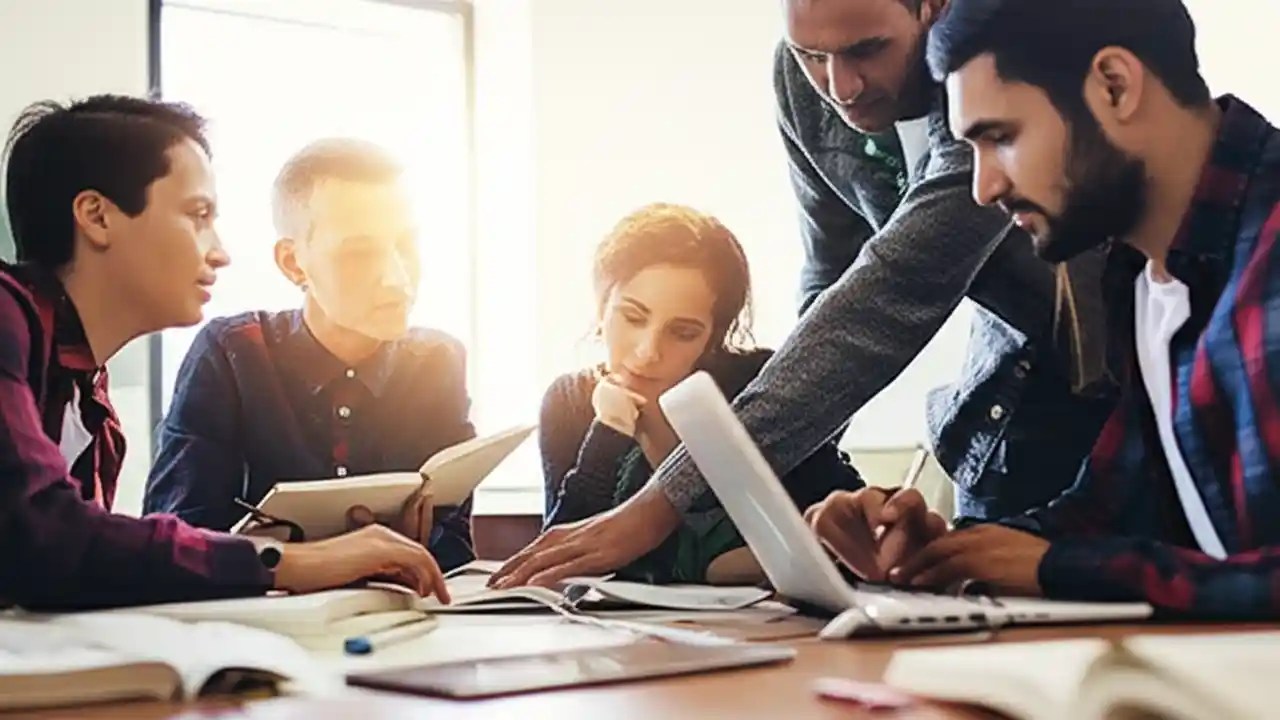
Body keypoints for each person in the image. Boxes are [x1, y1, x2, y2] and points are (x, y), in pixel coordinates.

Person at [491, 0, 1117, 589]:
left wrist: (660, 503)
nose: (840, 86)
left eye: (867, 50)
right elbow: (830, 276)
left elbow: (890, 290)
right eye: (812, 55)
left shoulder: (990, 66)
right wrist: (794, 471)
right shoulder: (800, 83)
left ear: (934, 6)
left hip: (1119, 388)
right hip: (1004, 418)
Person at [812, 0, 1280, 618]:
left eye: (1000, 138)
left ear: (1115, 85)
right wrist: (952, 554)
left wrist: (1056, 568)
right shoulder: (1144, 279)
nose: (984, 188)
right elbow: (1111, 514)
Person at [0, 96, 449, 609]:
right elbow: (42, 534)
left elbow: (78, 566)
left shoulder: (90, 405)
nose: (220, 251)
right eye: (197, 215)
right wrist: (300, 561)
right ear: (97, 216)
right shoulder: (7, 313)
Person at [144, 138, 477, 572]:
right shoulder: (232, 352)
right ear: (293, 263)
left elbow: (450, 546)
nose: (398, 279)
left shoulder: (438, 360)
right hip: (253, 624)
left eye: (407, 245)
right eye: (360, 253)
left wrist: (416, 551)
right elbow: (177, 538)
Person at [539, 203, 863, 585]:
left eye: (683, 332)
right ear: (601, 308)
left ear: (712, 338)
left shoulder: (757, 385)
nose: (648, 351)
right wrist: (608, 430)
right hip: (622, 632)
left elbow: (845, 525)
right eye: (633, 317)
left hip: (759, 632)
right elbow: (558, 554)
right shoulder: (569, 402)